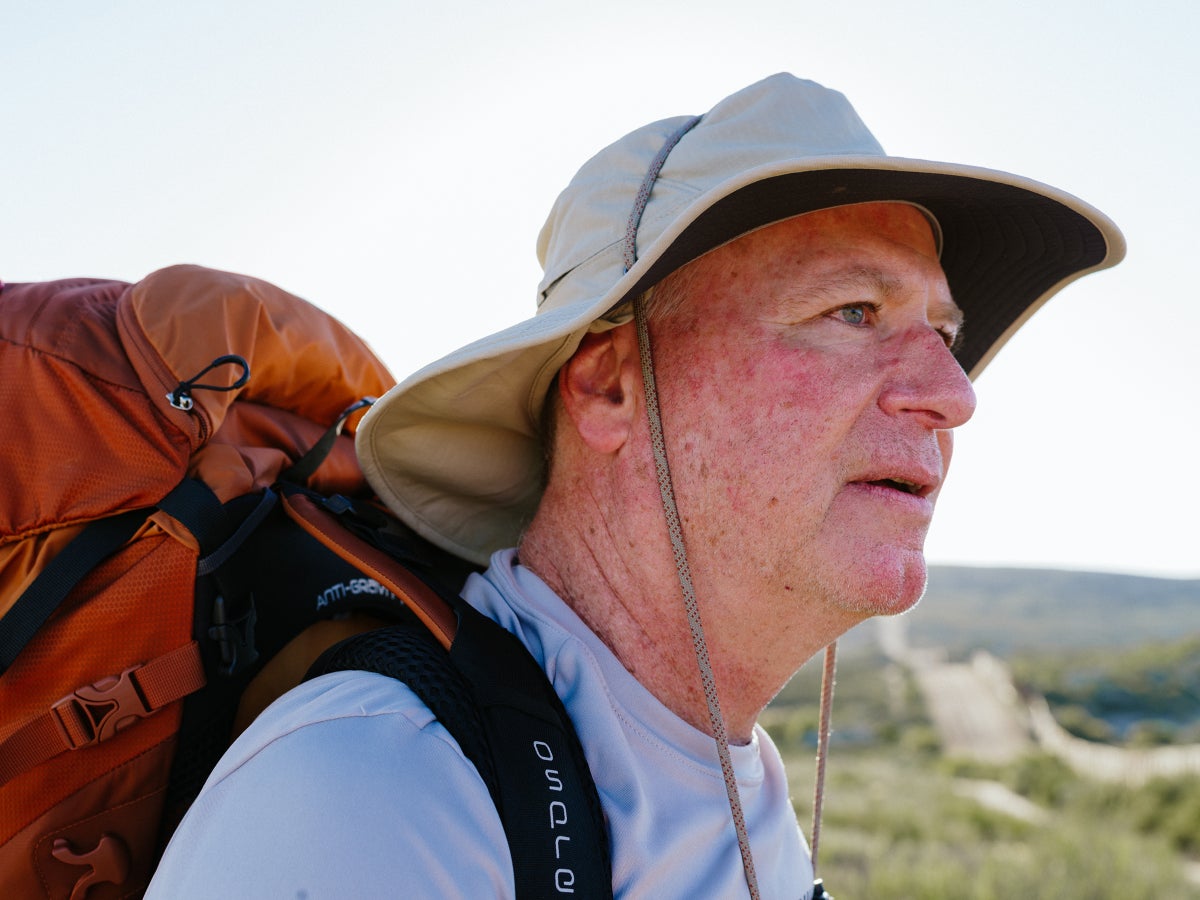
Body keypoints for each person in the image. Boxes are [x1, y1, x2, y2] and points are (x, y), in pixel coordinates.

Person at [147, 73, 1124, 898]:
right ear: (612, 386)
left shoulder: (739, 789)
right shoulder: (377, 793)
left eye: (943, 335)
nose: (953, 396)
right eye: (854, 310)